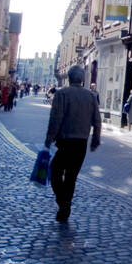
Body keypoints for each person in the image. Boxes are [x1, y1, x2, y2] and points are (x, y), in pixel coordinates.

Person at [45, 66, 101, 223]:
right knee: (71, 177)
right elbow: (97, 120)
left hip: (65, 142)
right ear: (82, 79)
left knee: (55, 172)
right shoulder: (91, 96)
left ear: (69, 78)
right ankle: (65, 204)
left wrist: (49, 139)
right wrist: (96, 139)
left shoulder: (62, 94)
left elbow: (55, 118)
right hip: (81, 143)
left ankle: (63, 203)